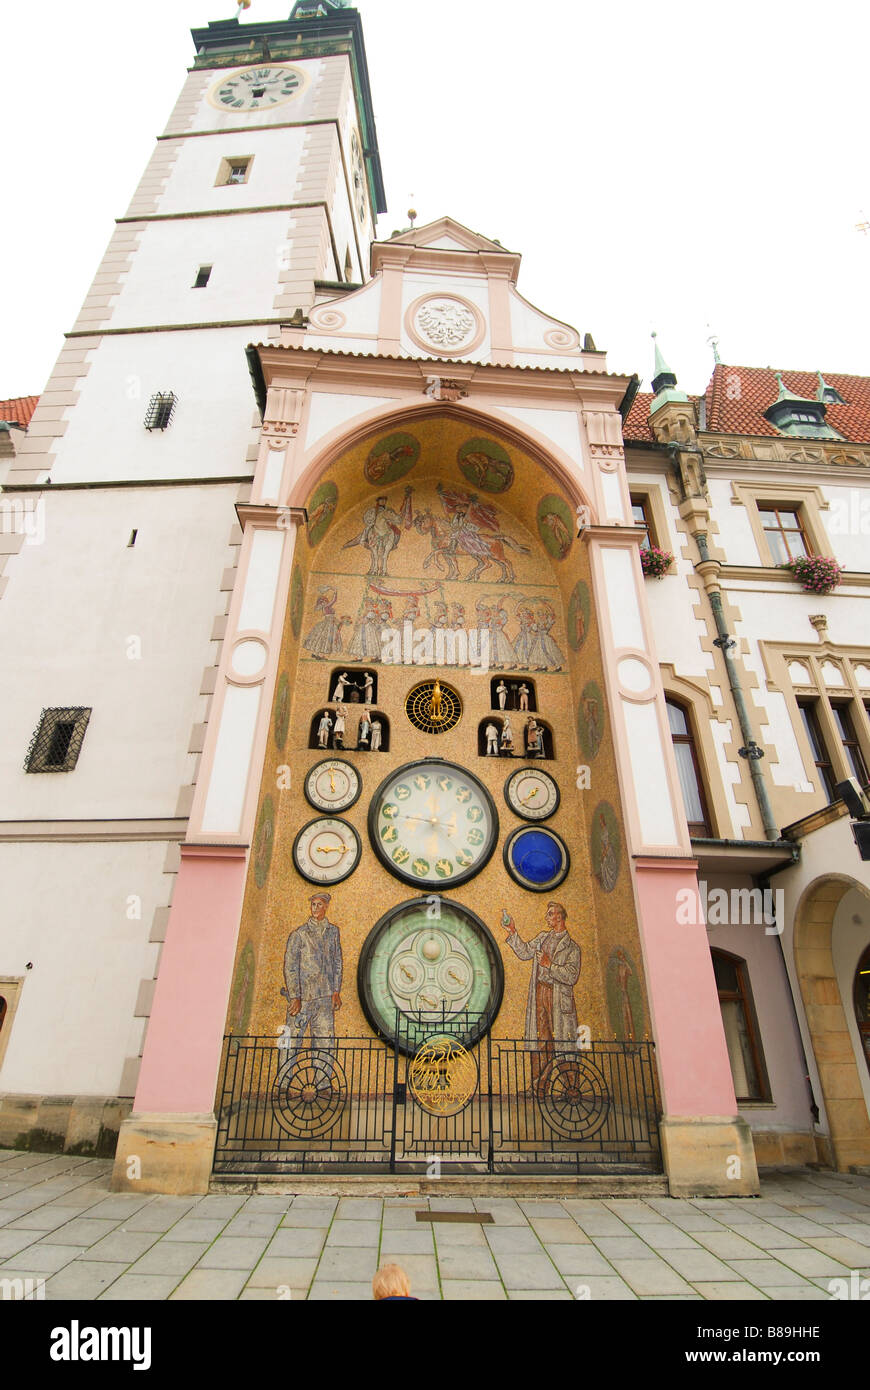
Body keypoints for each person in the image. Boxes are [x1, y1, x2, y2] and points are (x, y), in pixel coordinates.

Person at [502, 902, 581, 1090]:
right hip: (540, 992)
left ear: (559, 917)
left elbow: (571, 976)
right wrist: (513, 931)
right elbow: (524, 952)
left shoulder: (572, 947)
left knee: (563, 1042)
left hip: (558, 996)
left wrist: (549, 965)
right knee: (540, 1040)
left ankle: (571, 1088)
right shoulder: (543, 938)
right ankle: (539, 1087)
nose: (547, 917)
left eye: (550, 914)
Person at [280, 893, 343, 1070]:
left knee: (325, 1043)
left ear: (326, 907)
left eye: (319, 905)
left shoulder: (333, 932)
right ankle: (284, 1084)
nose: (315, 908)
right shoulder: (299, 934)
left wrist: (336, 991)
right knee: (291, 1043)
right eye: (313, 904)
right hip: (303, 998)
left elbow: (337, 962)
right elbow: (290, 966)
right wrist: (295, 996)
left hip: (325, 997)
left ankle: (322, 1084)